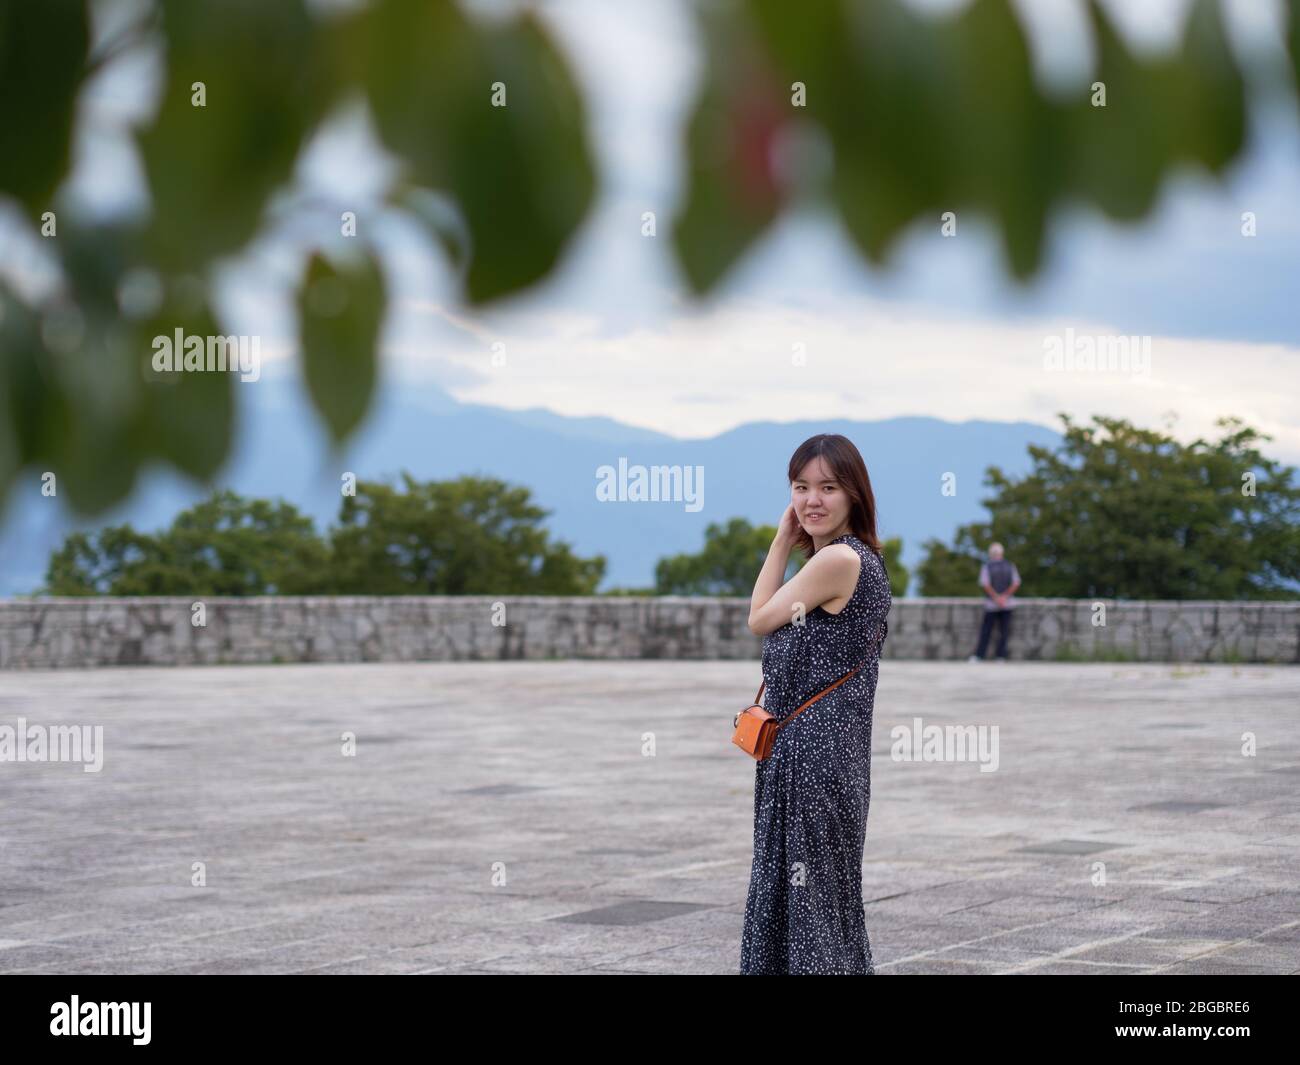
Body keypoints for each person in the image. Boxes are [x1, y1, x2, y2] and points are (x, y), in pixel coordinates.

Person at [741, 433, 891, 975]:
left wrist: (782, 540)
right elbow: (765, 611)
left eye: (828, 487)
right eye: (800, 488)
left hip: (813, 760)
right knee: (819, 907)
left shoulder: (839, 562)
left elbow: (758, 618)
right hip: (817, 757)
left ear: (854, 493)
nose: (812, 501)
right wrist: (787, 536)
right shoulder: (848, 558)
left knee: (810, 910)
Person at [969, 542, 1020, 661]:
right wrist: (1004, 597)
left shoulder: (987, 567)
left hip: (992, 604)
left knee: (986, 631)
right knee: (1004, 632)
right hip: (1007, 604)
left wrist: (997, 598)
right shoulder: (1010, 566)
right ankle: (1001, 656)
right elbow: (1016, 583)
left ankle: (979, 655)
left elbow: (985, 584)